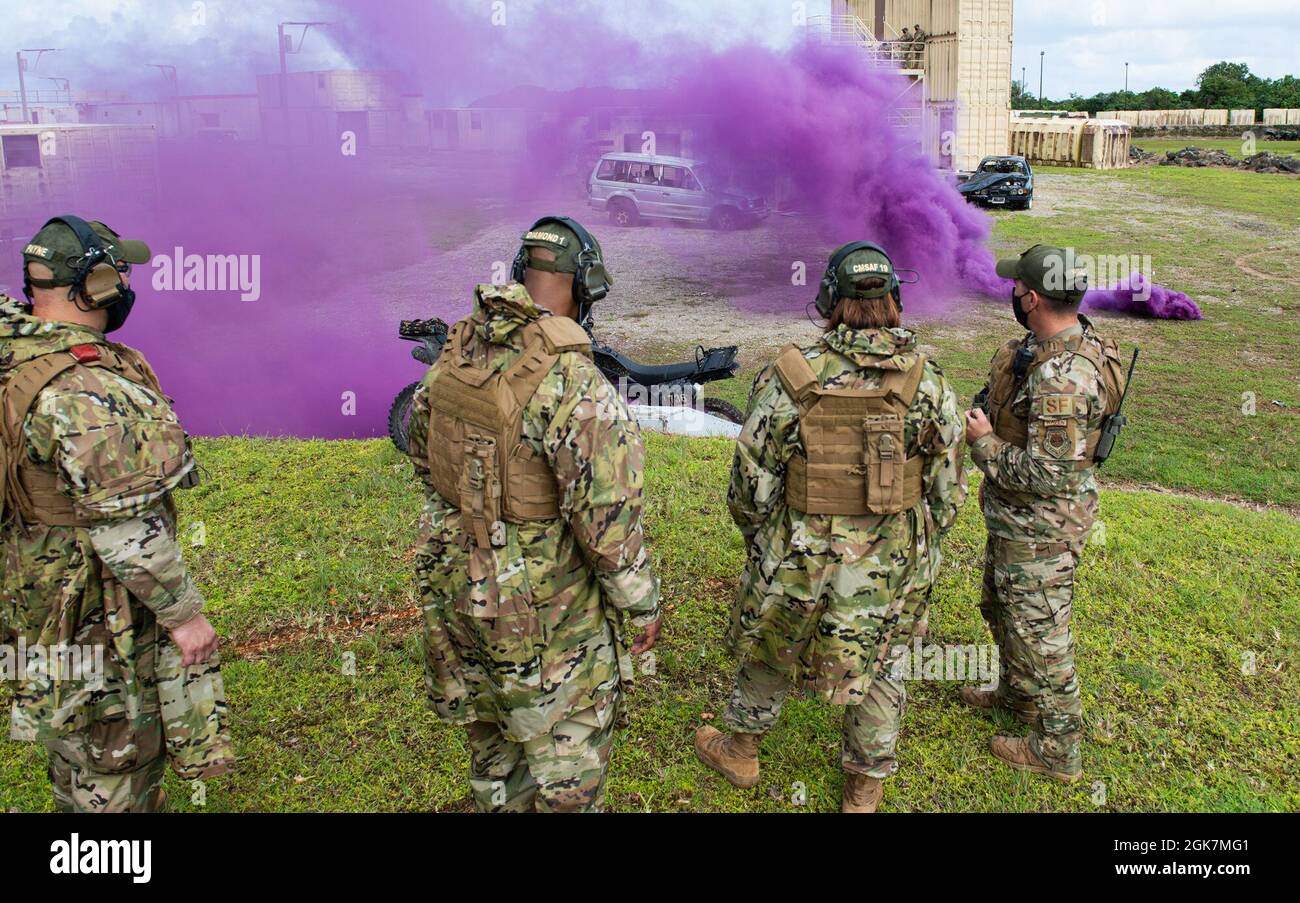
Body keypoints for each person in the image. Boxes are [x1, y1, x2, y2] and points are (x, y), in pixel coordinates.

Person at [694, 242, 966, 812]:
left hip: (801, 556)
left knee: (773, 644)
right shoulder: (929, 383)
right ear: (895, 300)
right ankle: (862, 794)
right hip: (894, 562)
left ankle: (740, 749)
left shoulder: (790, 377)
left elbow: (751, 487)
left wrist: (766, 543)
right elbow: (947, 494)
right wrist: (912, 543)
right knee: (886, 660)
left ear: (828, 301)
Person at [406, 215, 661, 813]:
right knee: (567, 759)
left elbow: (423, 449)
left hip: (455, 582)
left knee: (491, 729)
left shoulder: (458, 350)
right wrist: (641, 606)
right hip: (543, 609)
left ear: (522, 274)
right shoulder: (574, 380)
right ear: (586, 288)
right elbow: (609, 526)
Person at [0, 216, 232, 812]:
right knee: (113, 764)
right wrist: (185, 617)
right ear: (95, 286)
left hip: (33, 594)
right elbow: (126, 527)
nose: (126, 285)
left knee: (76, 744)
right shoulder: (85, 387)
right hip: (92, 611)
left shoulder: (17, 356)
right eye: (118, 273)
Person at [964, 245, 1128, 782]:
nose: (1011, 294)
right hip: (1017, 522)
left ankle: (1058, 750)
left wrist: (985, 444)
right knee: (1002, 607)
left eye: (1017, 288)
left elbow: (1048, 474)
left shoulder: (1063, 377)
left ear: (1031, 297)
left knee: (1042, 635)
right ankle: (1020, 695)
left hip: (1043, 528)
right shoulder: (1048, 347)